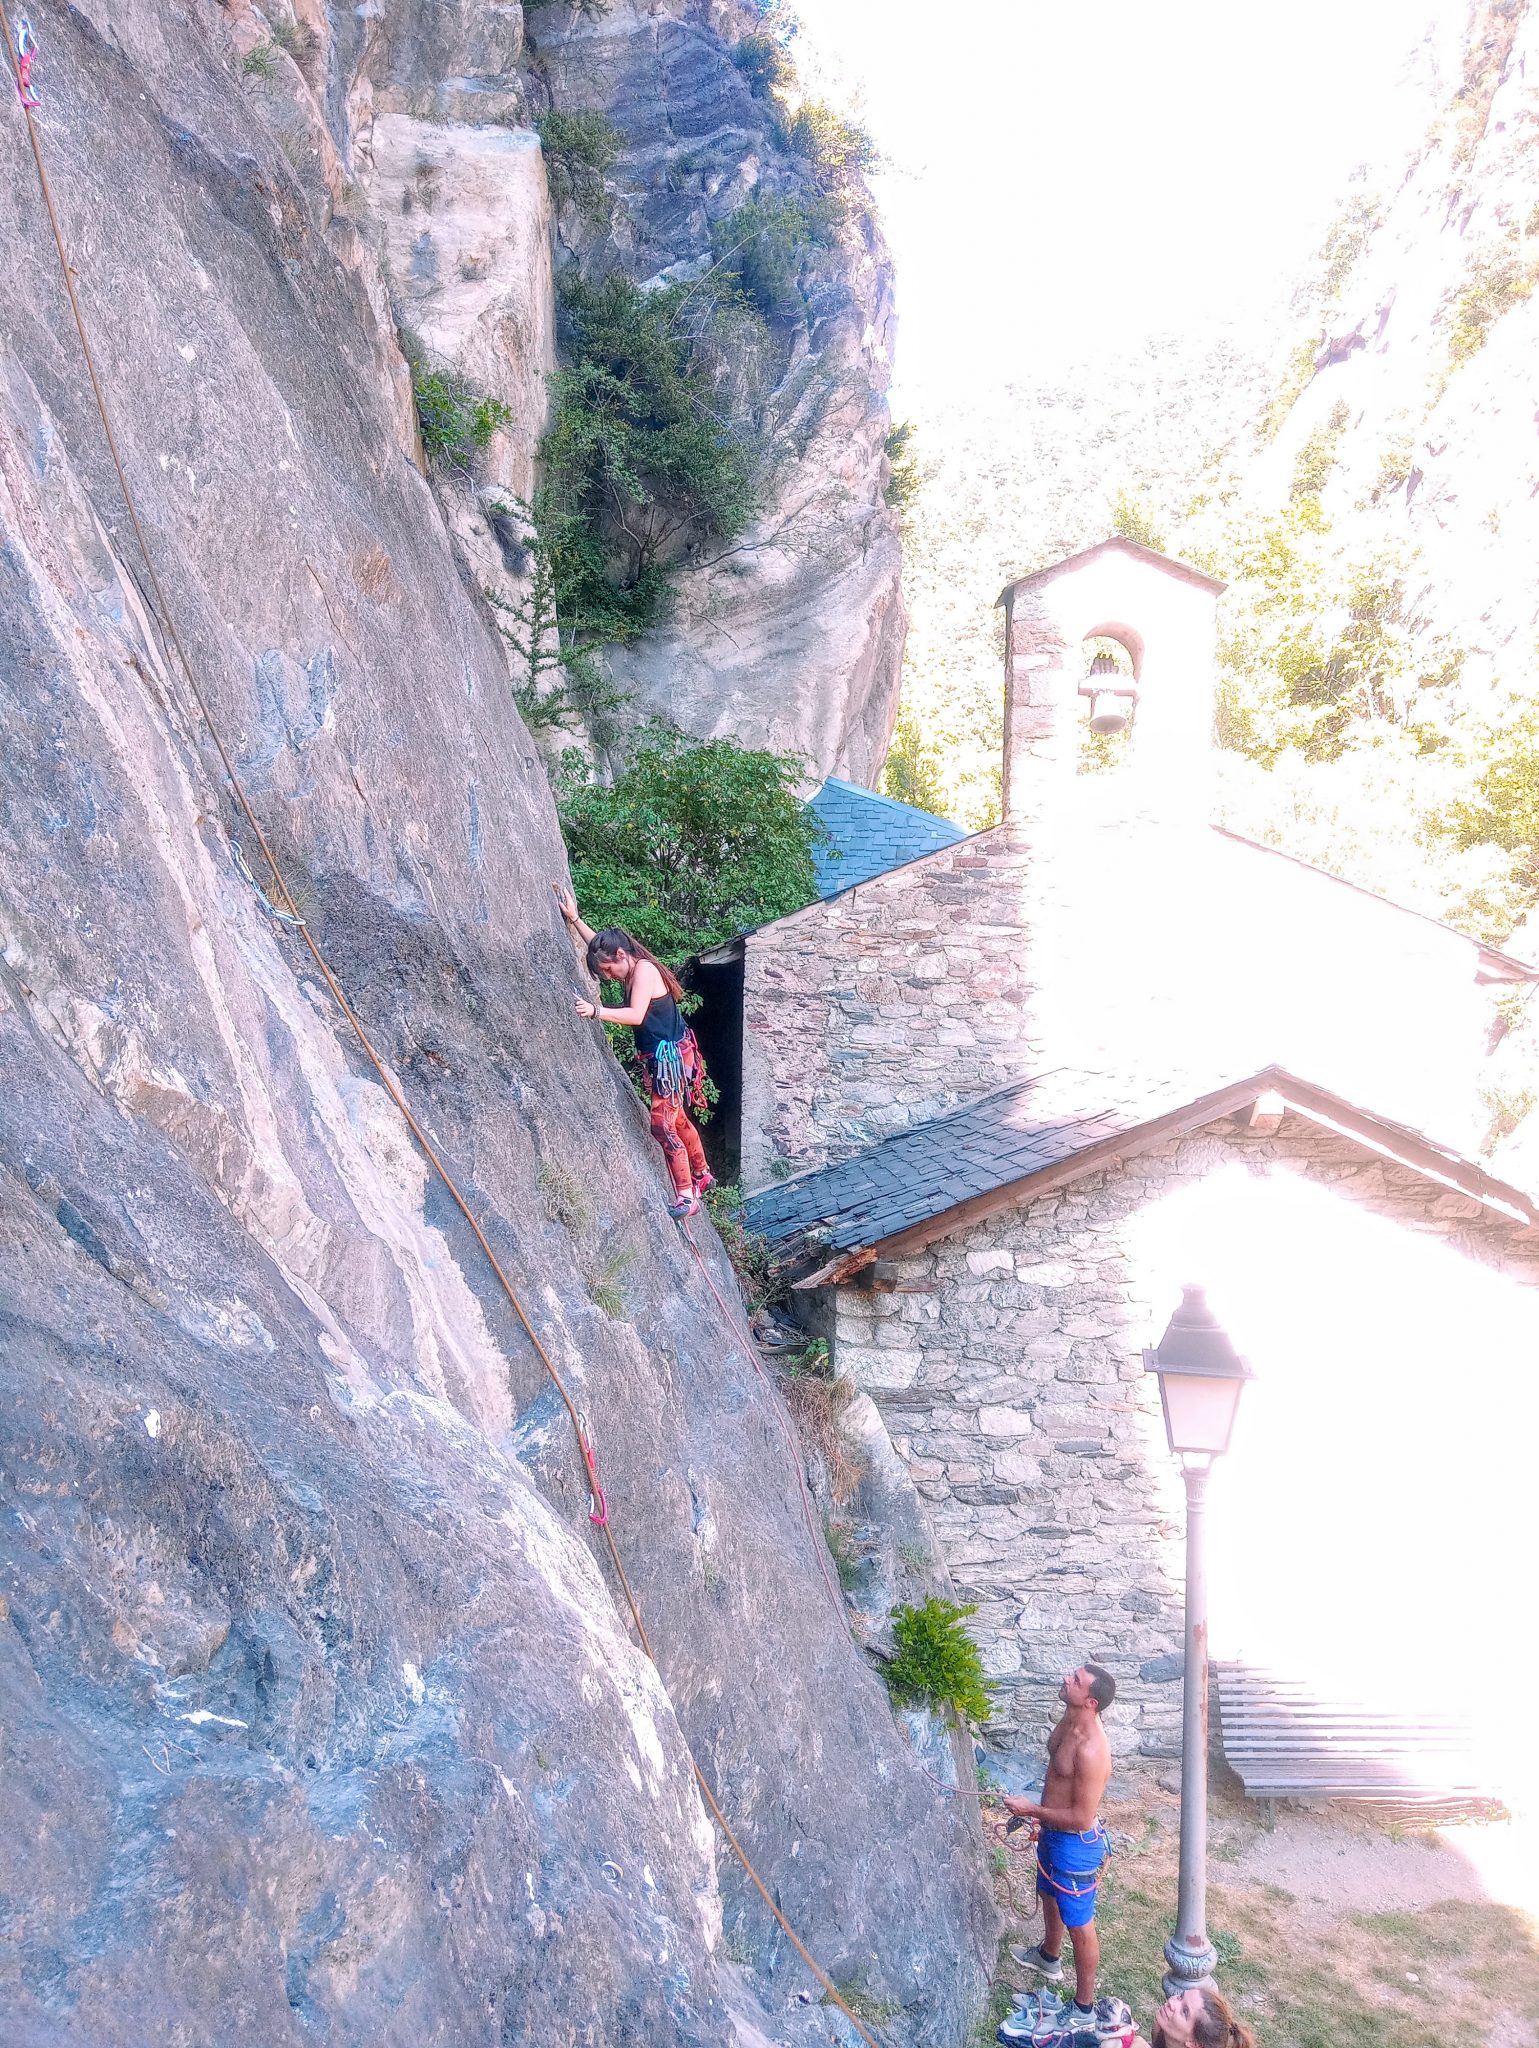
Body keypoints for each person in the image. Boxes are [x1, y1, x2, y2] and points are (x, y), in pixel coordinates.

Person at [555, 887, 713, 1219]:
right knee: (679, 1118)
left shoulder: (643, 971)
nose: (608, 976)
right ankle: (702, 1173)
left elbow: (637, 1015)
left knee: (662, 1125)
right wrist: (575, 920)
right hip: (668, 1053)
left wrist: (596, 1011)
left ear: (621, 956)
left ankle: (687, 1196)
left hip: (669, 1056)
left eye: (608, 970)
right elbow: (599, 944)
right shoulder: (629, 961)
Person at [1002, 1662, 1117, 2028]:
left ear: (1092, 1702)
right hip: (1052, 1831)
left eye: (1076, 1681)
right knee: (1048, 1892)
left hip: (1076, 1843)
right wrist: (1039, 1816)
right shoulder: (1069, 1719)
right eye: (1071, 1675)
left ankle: (1083, 2008)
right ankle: (1049, 1957)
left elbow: (1082, 1817)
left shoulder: (1092, 1749)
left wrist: (1032, 1808)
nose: (1067, 1679)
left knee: (1080, 1923)